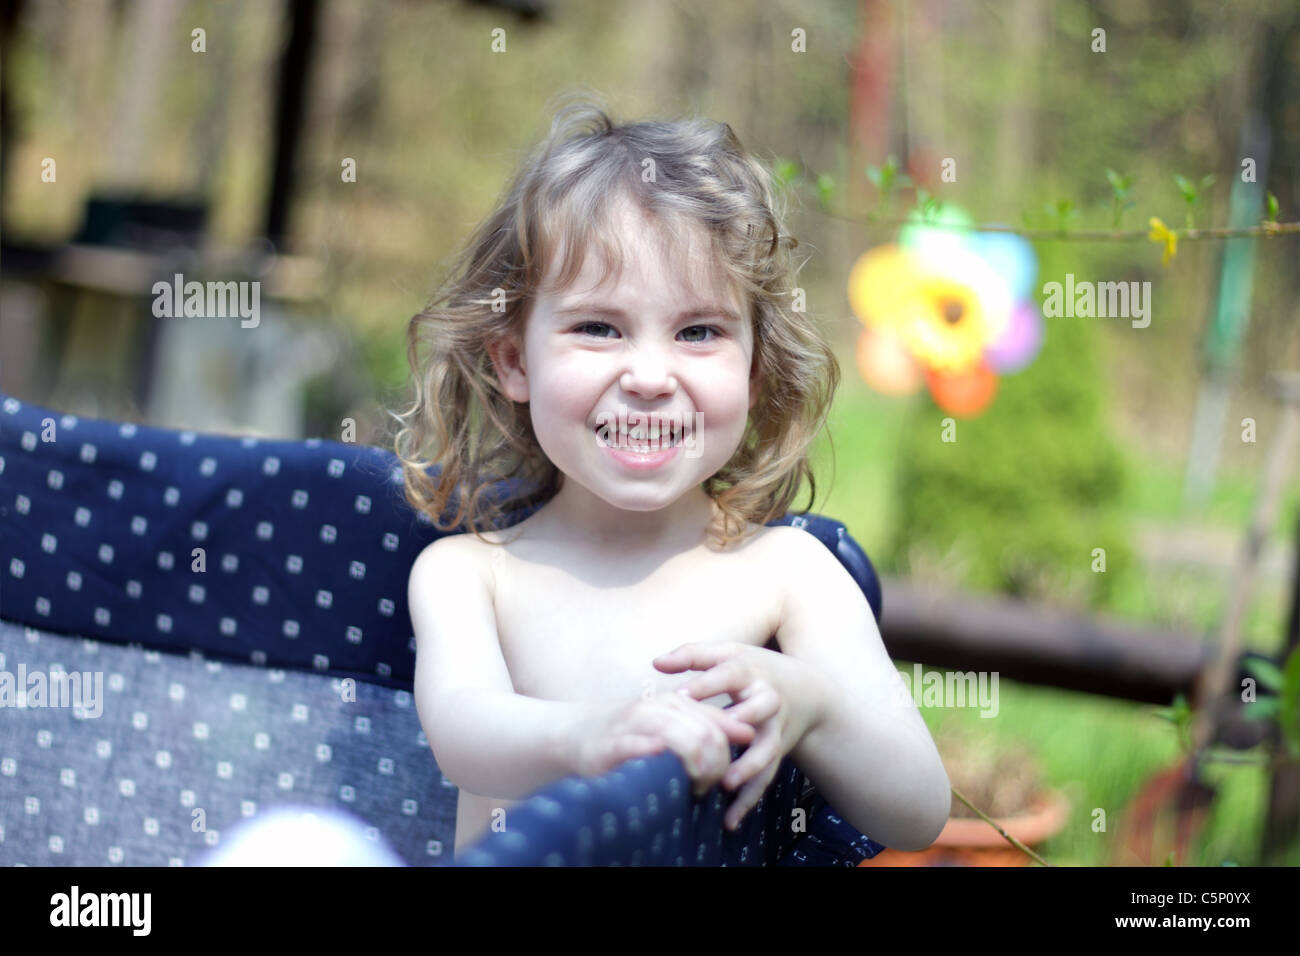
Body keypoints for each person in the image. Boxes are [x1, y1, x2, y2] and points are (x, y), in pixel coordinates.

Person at [392, 94, 951, 863]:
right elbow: (465, 734)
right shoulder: (469, 574)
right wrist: (590, 734)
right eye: (598, 327)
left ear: (755, 369)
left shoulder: (787, 575)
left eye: (698, 332)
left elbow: (918, 810)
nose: (649, 376)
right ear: (516, 361)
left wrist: (811, 705)